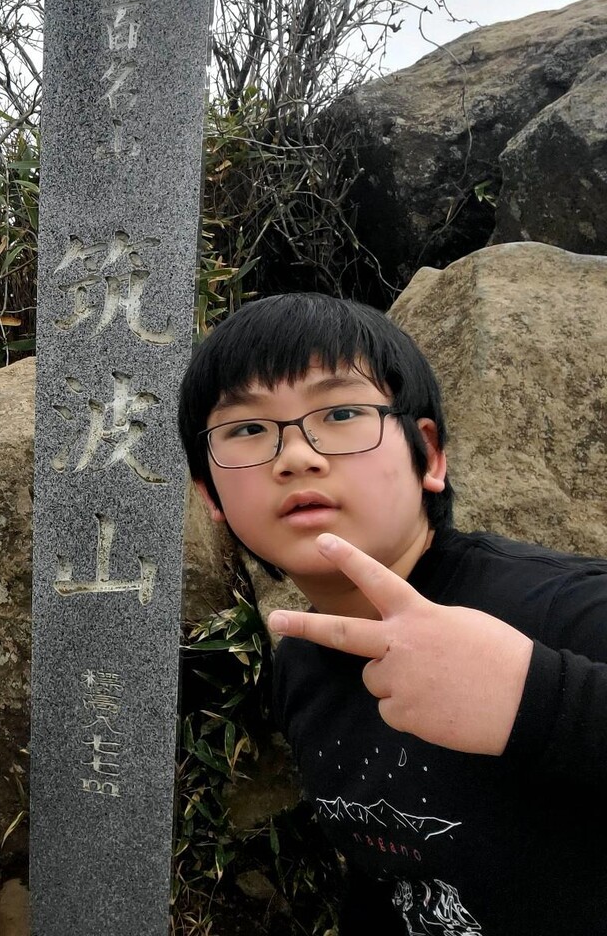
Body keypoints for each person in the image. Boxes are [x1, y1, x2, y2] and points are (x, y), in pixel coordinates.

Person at [176, 292, 607, 933]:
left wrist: (542, 698)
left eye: (343, 412)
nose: (295, 456)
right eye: (247, 429)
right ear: (212, 495)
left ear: (428, 454)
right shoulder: (300, 667)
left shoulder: (562, 609)